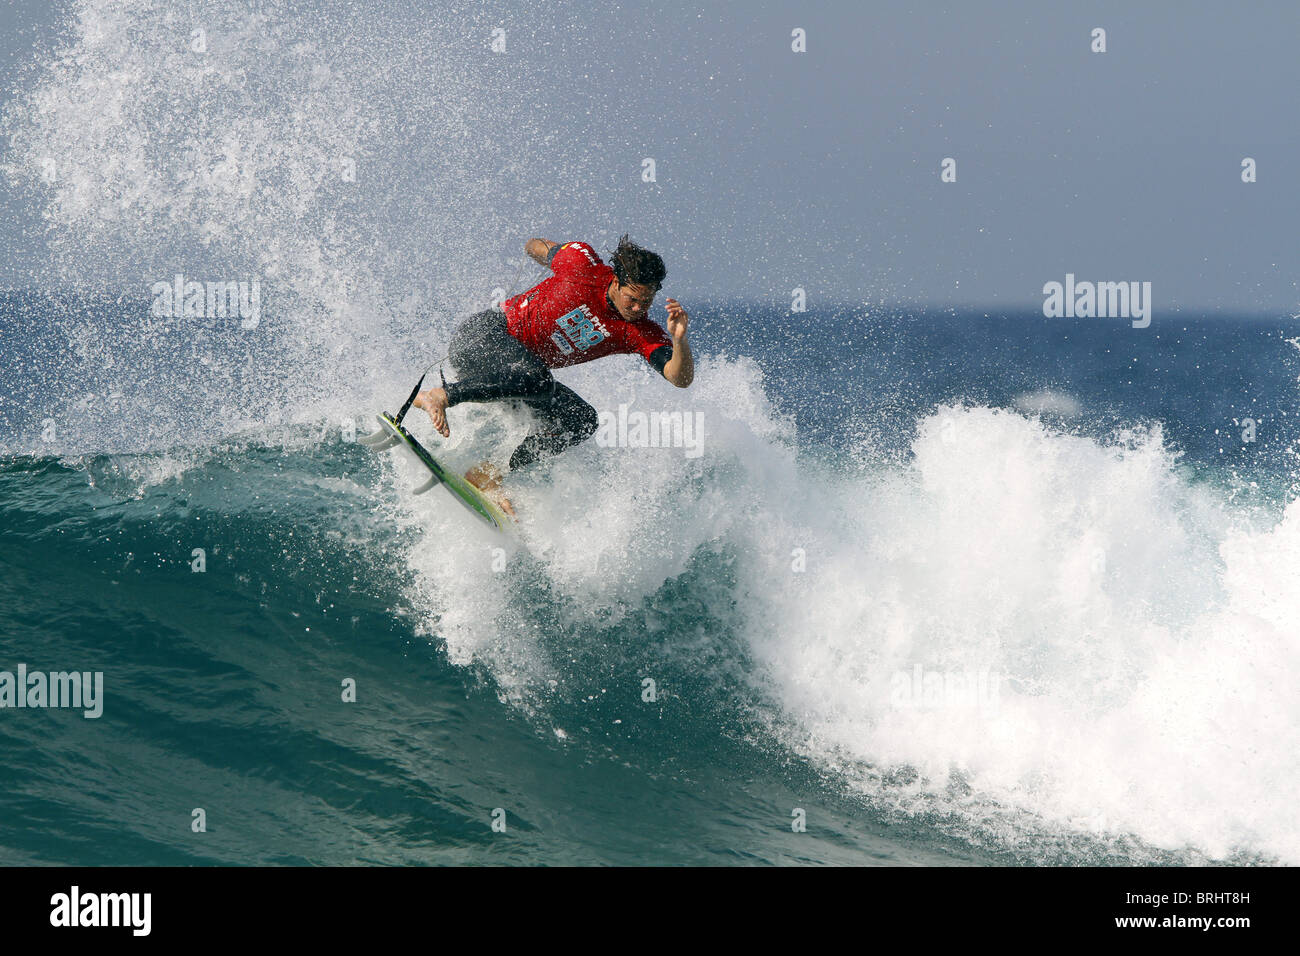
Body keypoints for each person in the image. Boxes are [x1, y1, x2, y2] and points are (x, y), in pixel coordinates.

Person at [413, 235, 693, 516]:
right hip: (482, 338)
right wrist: (548, 256)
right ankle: (440, 395)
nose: (637, 309)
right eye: (632, 299)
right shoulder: (582, 263)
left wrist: (679, 340)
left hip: (519, 378)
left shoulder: (640, 332)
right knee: (539, 378)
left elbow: (678, 378)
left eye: (645, 302)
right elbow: (534, 245)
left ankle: (489, 472)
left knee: (581, 421)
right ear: (616, 282)